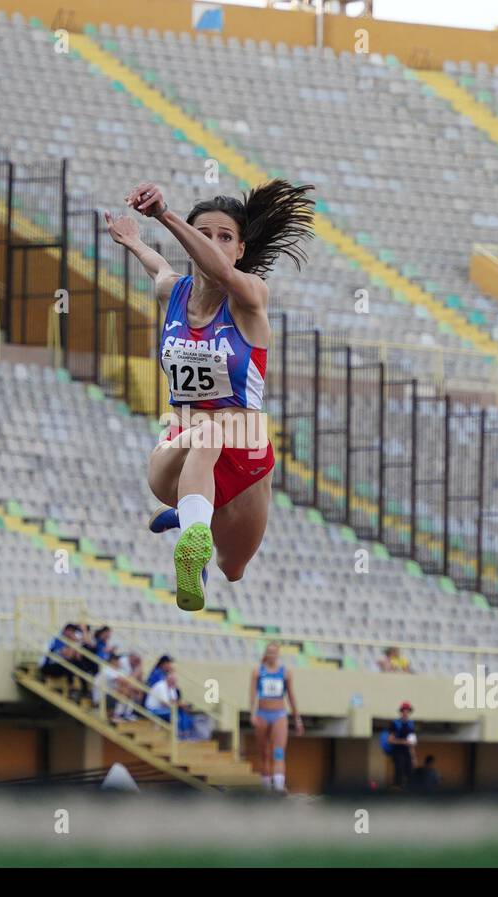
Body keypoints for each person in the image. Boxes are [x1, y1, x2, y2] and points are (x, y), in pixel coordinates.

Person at [108, 178, 315, 611]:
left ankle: (191, 520)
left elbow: (220, 273)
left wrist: (164, 213)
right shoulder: (174, 293)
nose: (216, 246)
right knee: (207, 432)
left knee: (233, 568)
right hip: (182, 444)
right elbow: (156, 267)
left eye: (226, 238)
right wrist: (131, 240)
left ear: (240, 250)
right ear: (189, 241)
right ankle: (191, 534)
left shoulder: (251, 296)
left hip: (247, 457)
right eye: (204, 235)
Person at [248, 642, 303, 792]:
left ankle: (279, 786)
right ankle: (266, 786)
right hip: (262, 714)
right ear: (266, 654)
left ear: (278, 655)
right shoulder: (257, 672)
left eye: (275, 652)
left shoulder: (285, 673)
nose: (272, 655)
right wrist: (252, 713)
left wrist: (297, 718)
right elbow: (253, 695)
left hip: (279, 714)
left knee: (278, 752)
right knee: (264, 753)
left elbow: (291, 696)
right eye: (269, 652)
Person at [387, 701, 417, 789]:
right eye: (404, 710)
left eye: (408, 711)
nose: (406, 713)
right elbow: (390, 740)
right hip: (398, 752)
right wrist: (403, 742)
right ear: (401, 711)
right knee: (399, 771)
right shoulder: (395, 723)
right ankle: (397, 787)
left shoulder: (411, 724)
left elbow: (411, 743)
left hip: (407, 752)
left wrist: (413, 757)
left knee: (410, 771)